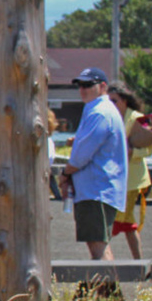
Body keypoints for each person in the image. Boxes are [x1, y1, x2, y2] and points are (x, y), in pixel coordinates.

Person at [58, 68, 128, 261]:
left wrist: (65, 173)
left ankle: (107, 280)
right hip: (96, 188)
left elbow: (81, 156)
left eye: (88, 85)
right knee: (99, 243)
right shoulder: (98, 109)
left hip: (96, 190)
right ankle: (108, 280)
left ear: (103, 86)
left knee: (98, 246)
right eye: (80, 85)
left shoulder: (100, 112)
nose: (83, 89)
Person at [107, 83, 152, 260]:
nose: (111, 104)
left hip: (132, 180)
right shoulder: (109, 117)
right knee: (127, 223)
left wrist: (133, 153)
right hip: (115, 177)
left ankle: (102, 257)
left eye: (114, 100)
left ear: (124, 100)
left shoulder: (137, 118)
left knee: (114, 221)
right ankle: (138, 263)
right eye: (108, 101)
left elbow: (149, 148)